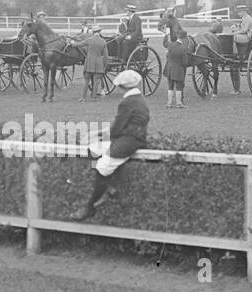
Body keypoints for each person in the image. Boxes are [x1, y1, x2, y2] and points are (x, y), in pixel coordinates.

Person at [73, 69, 149, 221]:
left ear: (122, 87)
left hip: (128, 141)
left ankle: (90, 206)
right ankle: (111, 187)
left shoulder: (127, 102)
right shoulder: (139, 99)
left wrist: (97, 133)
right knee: (93, 149)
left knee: (102, 168)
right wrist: (97, 134)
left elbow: (115, 130)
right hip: (131, 138)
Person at [80, 25, 107, 102]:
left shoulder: (89, 40)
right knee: (96, 81)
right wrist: (104, 65)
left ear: (93, 32)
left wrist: (71, 43)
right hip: (98, 64)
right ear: (99, 32)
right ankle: (94, 97)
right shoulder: (103, 41)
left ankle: (83, 98)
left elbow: (79, 44)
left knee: (86, 81)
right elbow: (105, 56)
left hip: (89, 63)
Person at [164, 31, 188, 108]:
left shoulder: (170, 45)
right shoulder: (183, 48)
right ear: (184, 39)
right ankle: (178, 104)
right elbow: (185, 62)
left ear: (178, 37)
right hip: (179, 70)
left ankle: (169, 103)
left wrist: (165, 35)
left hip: (170, 69)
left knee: (170, 87)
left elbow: (167, 55)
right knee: (179, 87)